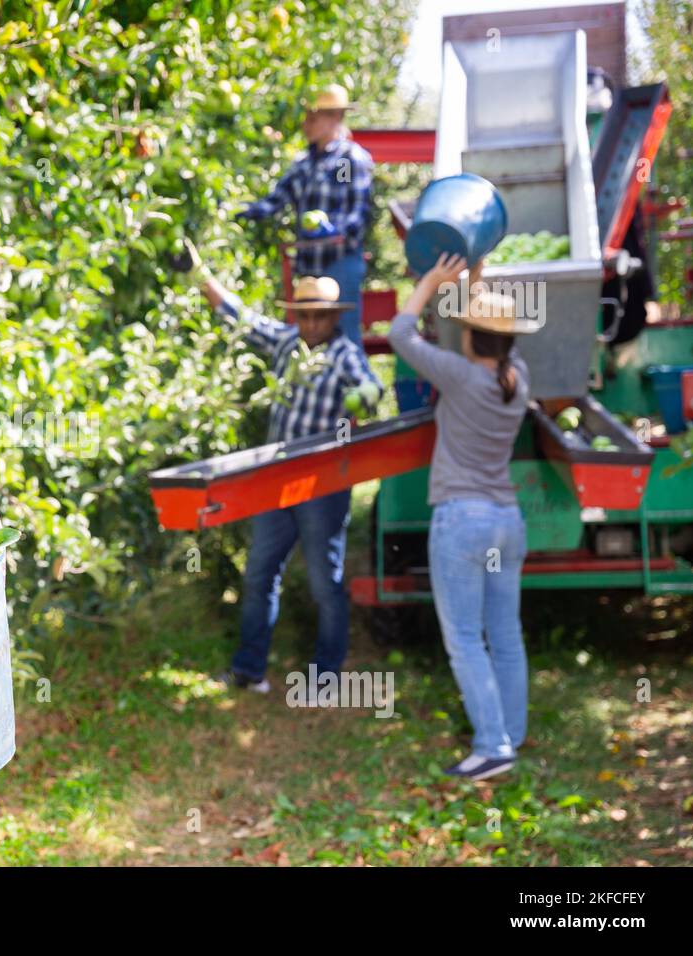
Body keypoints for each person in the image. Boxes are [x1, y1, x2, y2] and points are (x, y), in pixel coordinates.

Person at [178, 240, 382, 700]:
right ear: (297, 316)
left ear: (334, 318)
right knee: (259, 574)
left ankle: (326, 676)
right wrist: (197, 273)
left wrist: (362, 401)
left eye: (320, 316)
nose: (311, 324)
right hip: (276, 484)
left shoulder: (344, 355)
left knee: (324, 582)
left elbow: (372, 389)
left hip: (322, 486)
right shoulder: (287, 343)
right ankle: (250, 670)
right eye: (305, 315)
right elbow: (238, 316)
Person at [388, 252, 535, 782]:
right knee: (505, 632)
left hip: (463, 522)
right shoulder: (518, 378)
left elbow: (401, 334)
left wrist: (430, 282)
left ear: (471, 336)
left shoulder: (458, 376)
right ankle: (510, 734)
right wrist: (477, 277)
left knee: (466, 639)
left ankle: (493, 746)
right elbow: (484, 339)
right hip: (506, 521)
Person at [234, 82, 374, 346]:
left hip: (339, 262)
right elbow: (277, 200)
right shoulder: (303, 163)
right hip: (310, 267)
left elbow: (355, 210)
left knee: (342, 336)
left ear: (335, 117)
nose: (305, 124)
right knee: (309, 339)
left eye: (313, 117)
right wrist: (241, 213)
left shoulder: (344, 161)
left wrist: (334, 230)